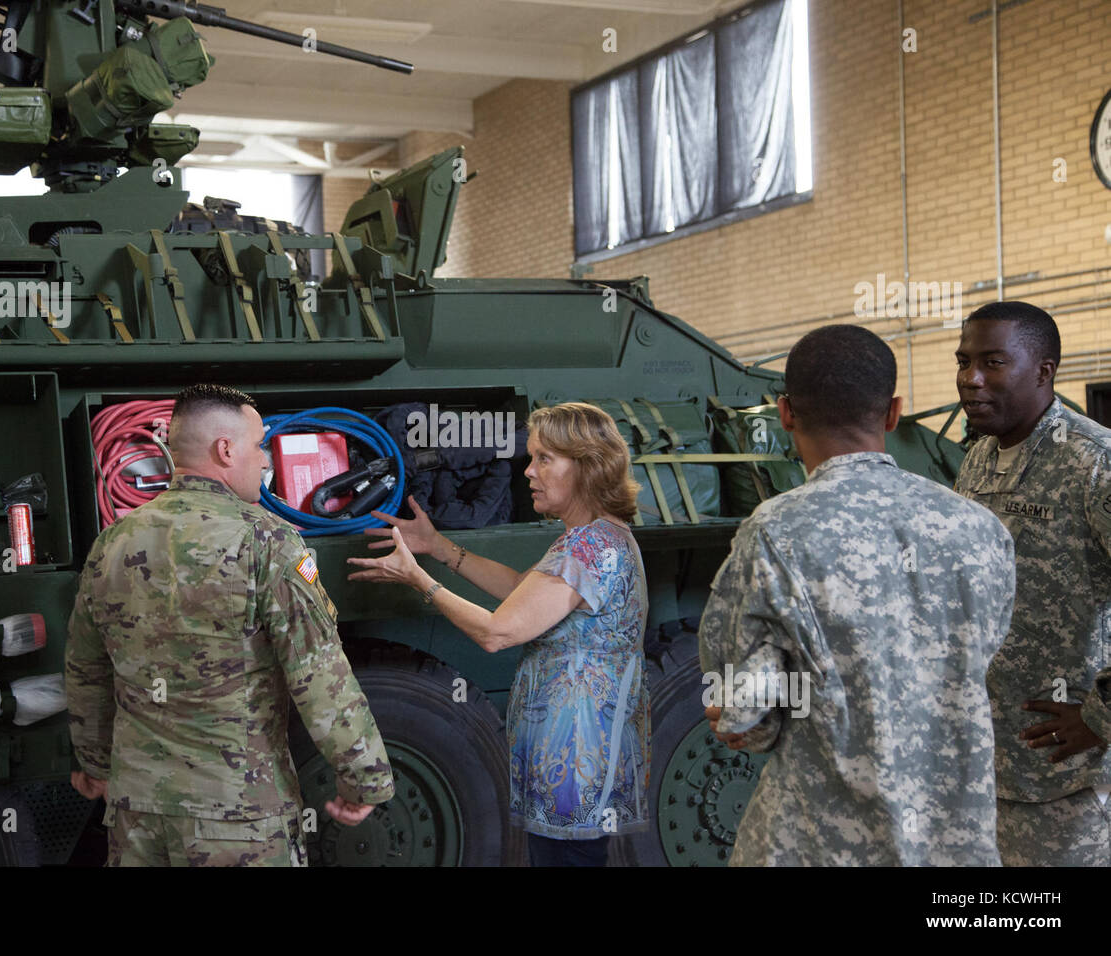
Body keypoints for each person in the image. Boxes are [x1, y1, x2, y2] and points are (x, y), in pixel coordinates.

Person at [699, 324, 1015, 866]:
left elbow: (739, 710)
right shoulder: (979, 527)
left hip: (818, 840)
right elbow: (981, 651)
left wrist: (747, 716)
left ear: (785, 414)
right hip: (954, 841)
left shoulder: (776, 531)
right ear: (893, 414)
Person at [65, 383, 394, 867]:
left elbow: (85, 667)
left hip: (137, 814)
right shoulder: (268, 542)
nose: (265, 461)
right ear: (225, 450)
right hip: (239, 820)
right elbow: (319, 673)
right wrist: (364, 777)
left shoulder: (113, 541)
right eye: (259, 445)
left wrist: (94, 763)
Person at [347, 402, 649, 867]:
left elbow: (497, 632)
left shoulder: (588, 546)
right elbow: (521, 593)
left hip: (574, 760)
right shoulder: (599, 536)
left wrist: (418, 579)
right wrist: (439, 547)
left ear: (588, 467)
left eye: (544, 459)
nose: (528, 472)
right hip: (582, 755)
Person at [953, 301, 1111, 867]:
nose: (971, 380)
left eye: (993, 363)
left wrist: (1101, 717)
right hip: (994, 763)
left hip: (1071, 778)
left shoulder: (1094, 462)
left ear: (1044, 371)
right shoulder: (978, 459)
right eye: (964, 361)